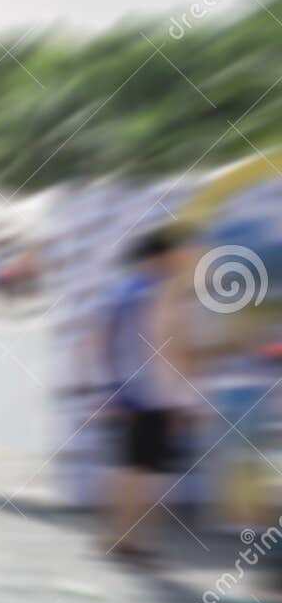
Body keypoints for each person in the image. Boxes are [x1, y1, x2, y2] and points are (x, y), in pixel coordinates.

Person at [98, 224, 200, 565]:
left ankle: (117, 537)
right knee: (148, 471)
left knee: (129, 466)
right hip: (154, 393)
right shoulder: (157, 293)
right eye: (178, 252)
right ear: (163, 256)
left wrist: (112, 387)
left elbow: (103, 343)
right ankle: (133, 542)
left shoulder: (122, 291)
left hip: (127, 389)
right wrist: (182, 398)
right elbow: (167, 348)